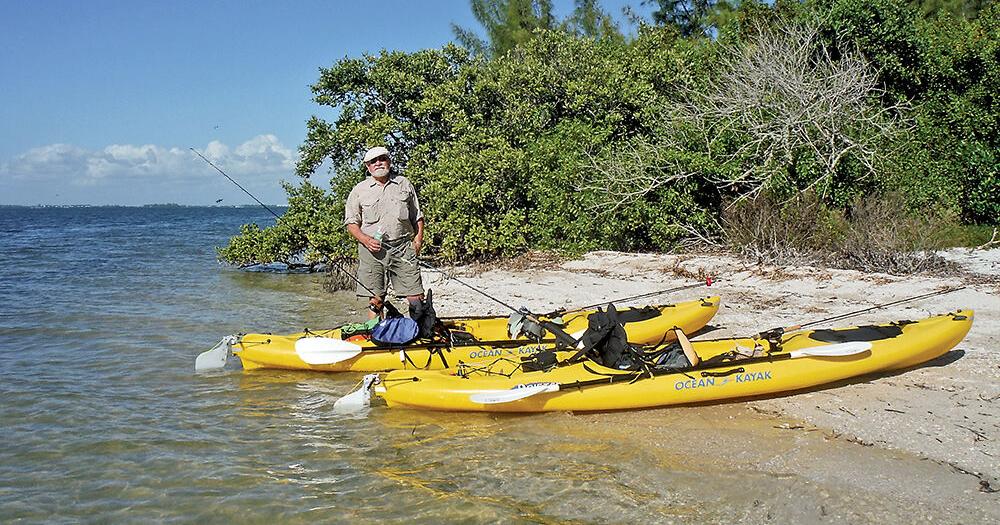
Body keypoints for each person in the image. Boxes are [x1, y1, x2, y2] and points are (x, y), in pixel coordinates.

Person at [344, 146, 425, 320]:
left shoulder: (404, 183)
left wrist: (418, 241)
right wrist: (366, 240)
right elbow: (351, 223)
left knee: (416, 297)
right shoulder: (359, 190)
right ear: (368, 166)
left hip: (403, 247)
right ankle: (376, 335)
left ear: (389, 161)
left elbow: (417, 216)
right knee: (376, 299)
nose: (378, 163)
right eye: (373, 161)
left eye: (382, 159)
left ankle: (420, 334)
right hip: (372, 251)